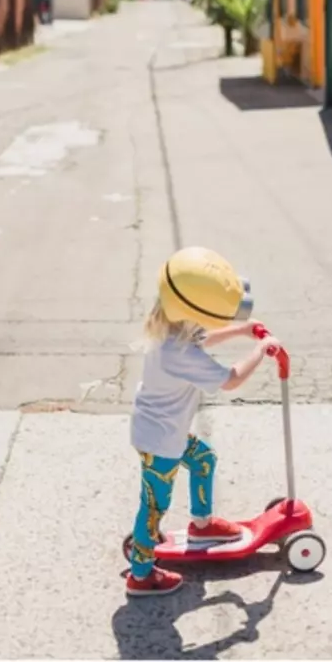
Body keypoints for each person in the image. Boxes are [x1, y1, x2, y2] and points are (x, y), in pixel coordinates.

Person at [126, 247, 280, 598]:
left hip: (167, 433)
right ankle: (140, 574)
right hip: (160, 443)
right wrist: (262, 349)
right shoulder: (177, 354)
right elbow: (230, 380)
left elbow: (203, 338)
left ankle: (203, 526)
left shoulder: (171, 331)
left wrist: (241, 330)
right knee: (153, 507)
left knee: (203, 458)